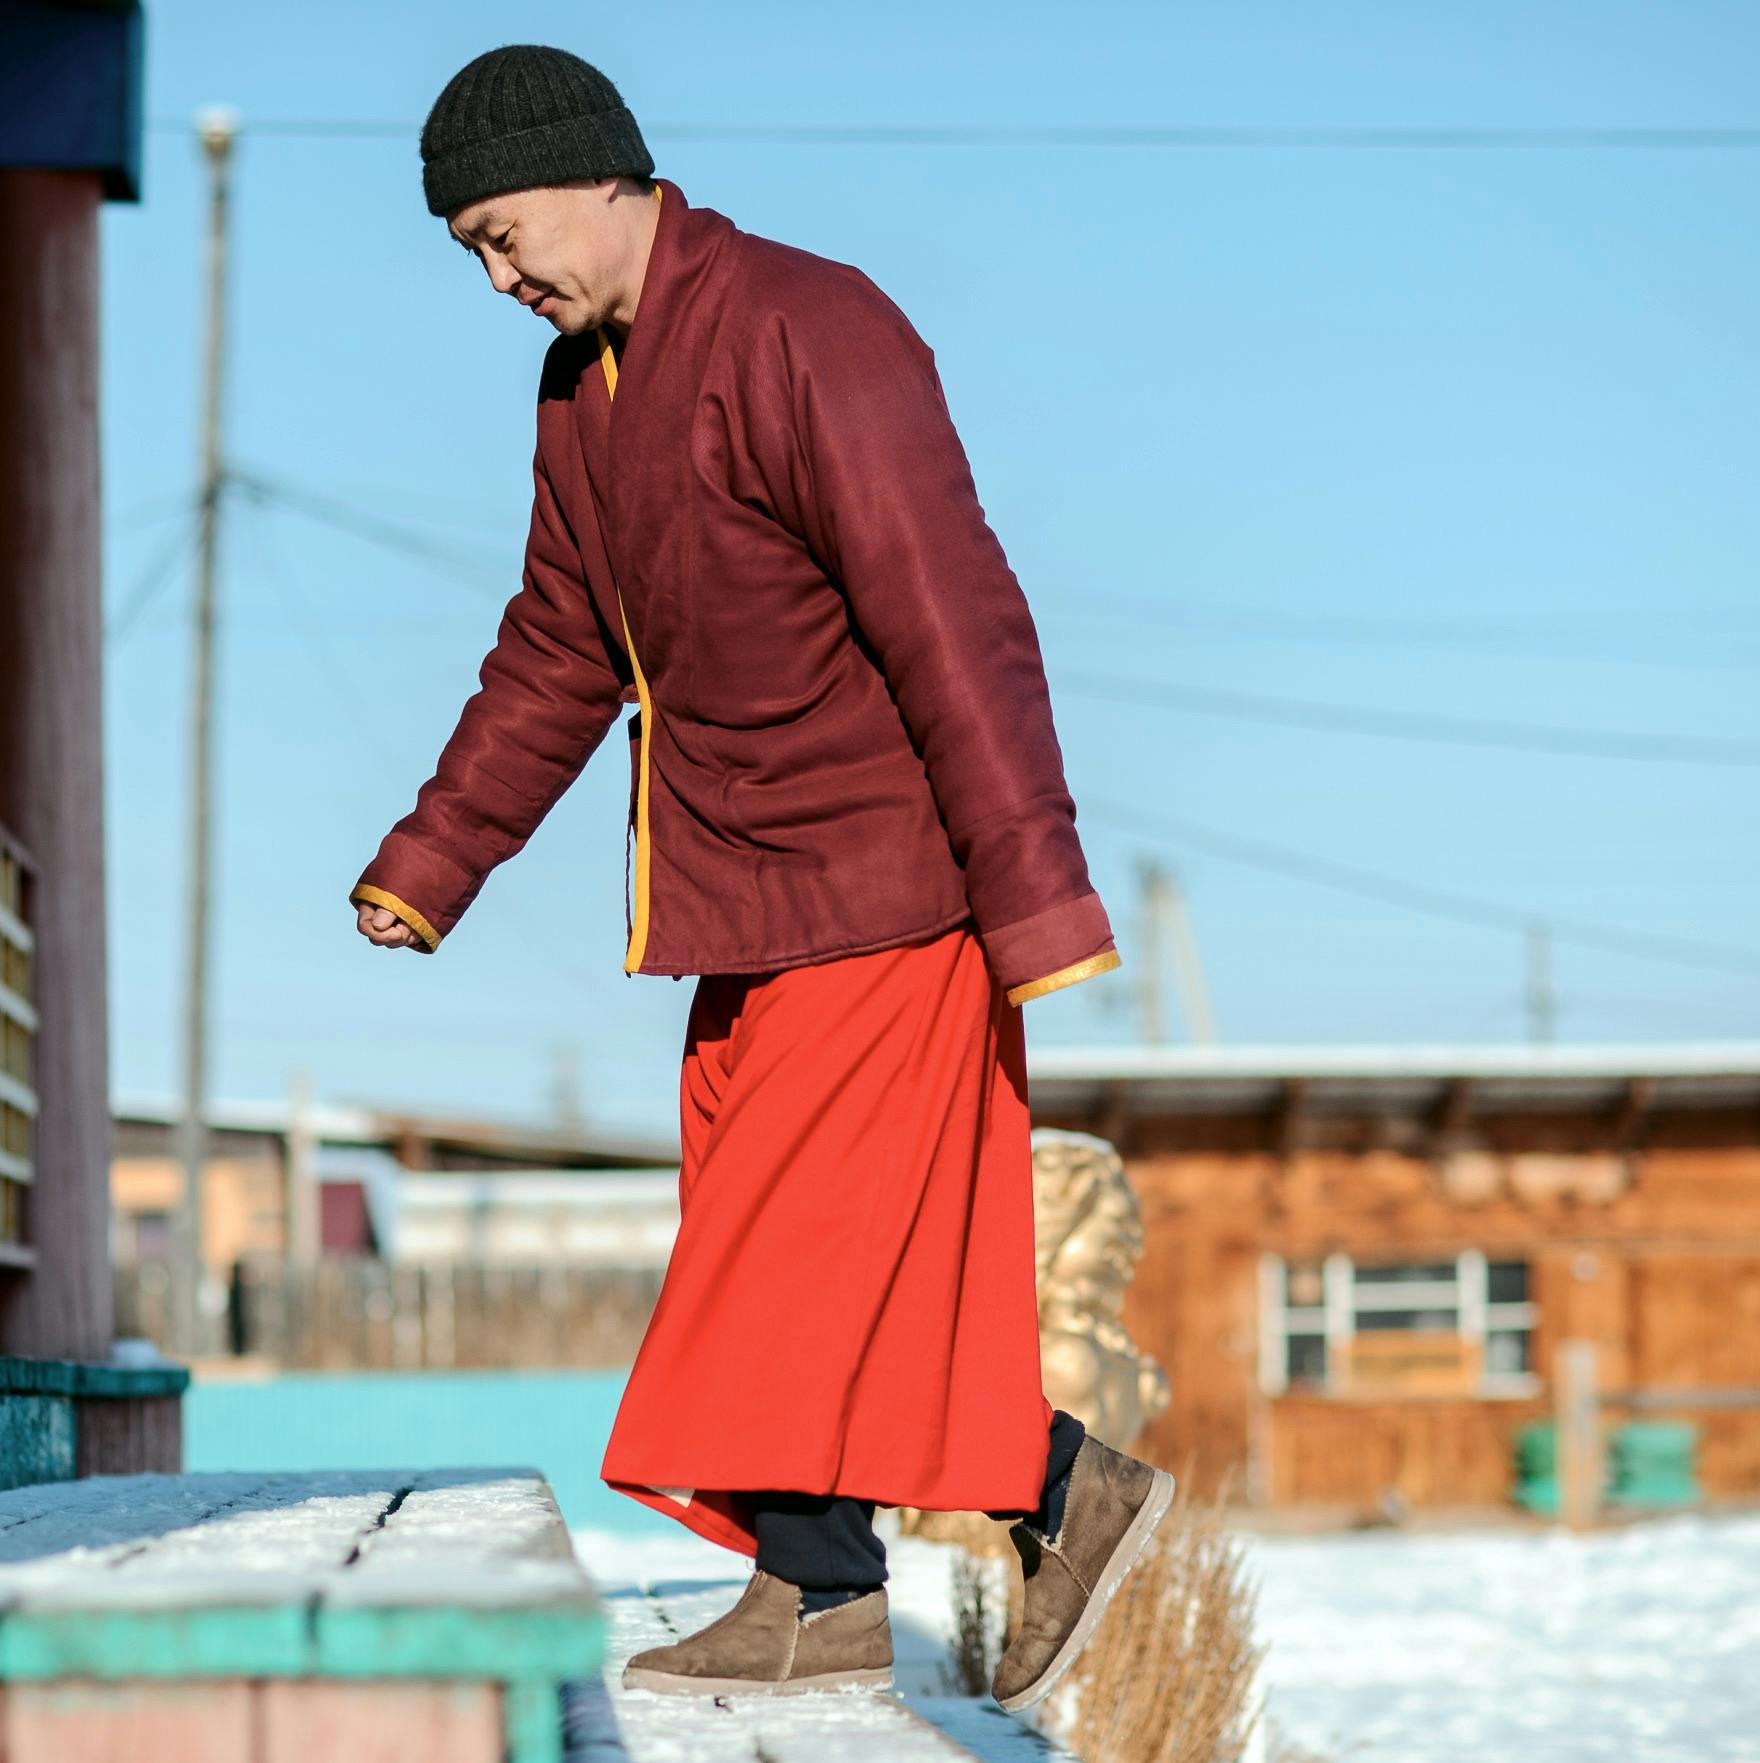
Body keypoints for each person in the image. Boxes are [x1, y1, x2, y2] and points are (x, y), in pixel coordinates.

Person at [349, 43, 1174, 1708]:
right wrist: (437, 856)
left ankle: (1047, 1493)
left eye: (503, 236)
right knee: (779, 1258)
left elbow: (951, 611)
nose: (497, 279)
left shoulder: (810, 326)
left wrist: (1032, 893)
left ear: (601, 175)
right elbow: (561, 645)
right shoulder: (580, 392)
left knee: (773, 1276)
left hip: (885, 885)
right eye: (470, 255)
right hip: (739, 900)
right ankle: (827, 1588)